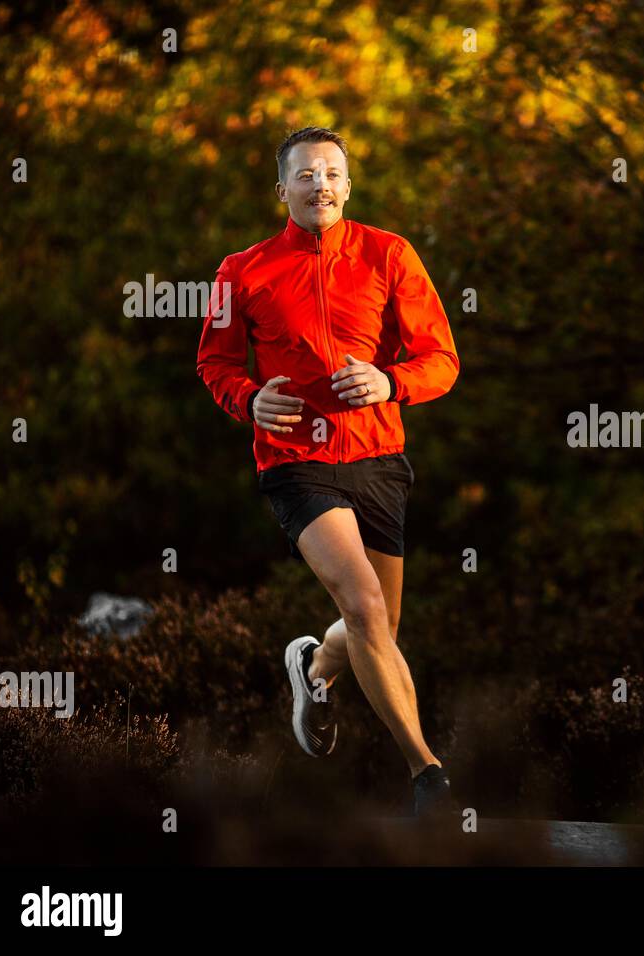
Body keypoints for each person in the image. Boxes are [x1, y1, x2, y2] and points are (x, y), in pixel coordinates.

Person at [196, 126, 459, 819]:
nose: (320, 186)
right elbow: (213, 362)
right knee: (365, 607)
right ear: (282, 190)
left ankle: (312, 671)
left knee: (378, 623)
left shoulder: (390, 254)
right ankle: (427, 773)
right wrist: (250, 399)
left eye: (332, 174)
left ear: (348, 185)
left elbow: (441, 359)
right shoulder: (239, 270)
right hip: (295, 461)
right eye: (305, 176)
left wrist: (389, 381)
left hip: (378, 456)